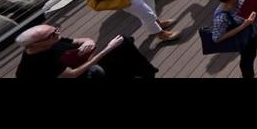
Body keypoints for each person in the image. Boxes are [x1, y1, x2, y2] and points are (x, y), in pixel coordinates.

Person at [15, 25, 157, 79]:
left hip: (77, 63)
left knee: (124, 42)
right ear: (36, 44)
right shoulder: (39, 60)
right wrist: (108, 49)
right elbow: (72, 74)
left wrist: (88, 41)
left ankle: (146, 72)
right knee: (117, 50)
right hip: (76, 75)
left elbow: (79, 40)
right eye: (53, 34)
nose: (58, 33)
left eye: (56, 29)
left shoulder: (53, 41)